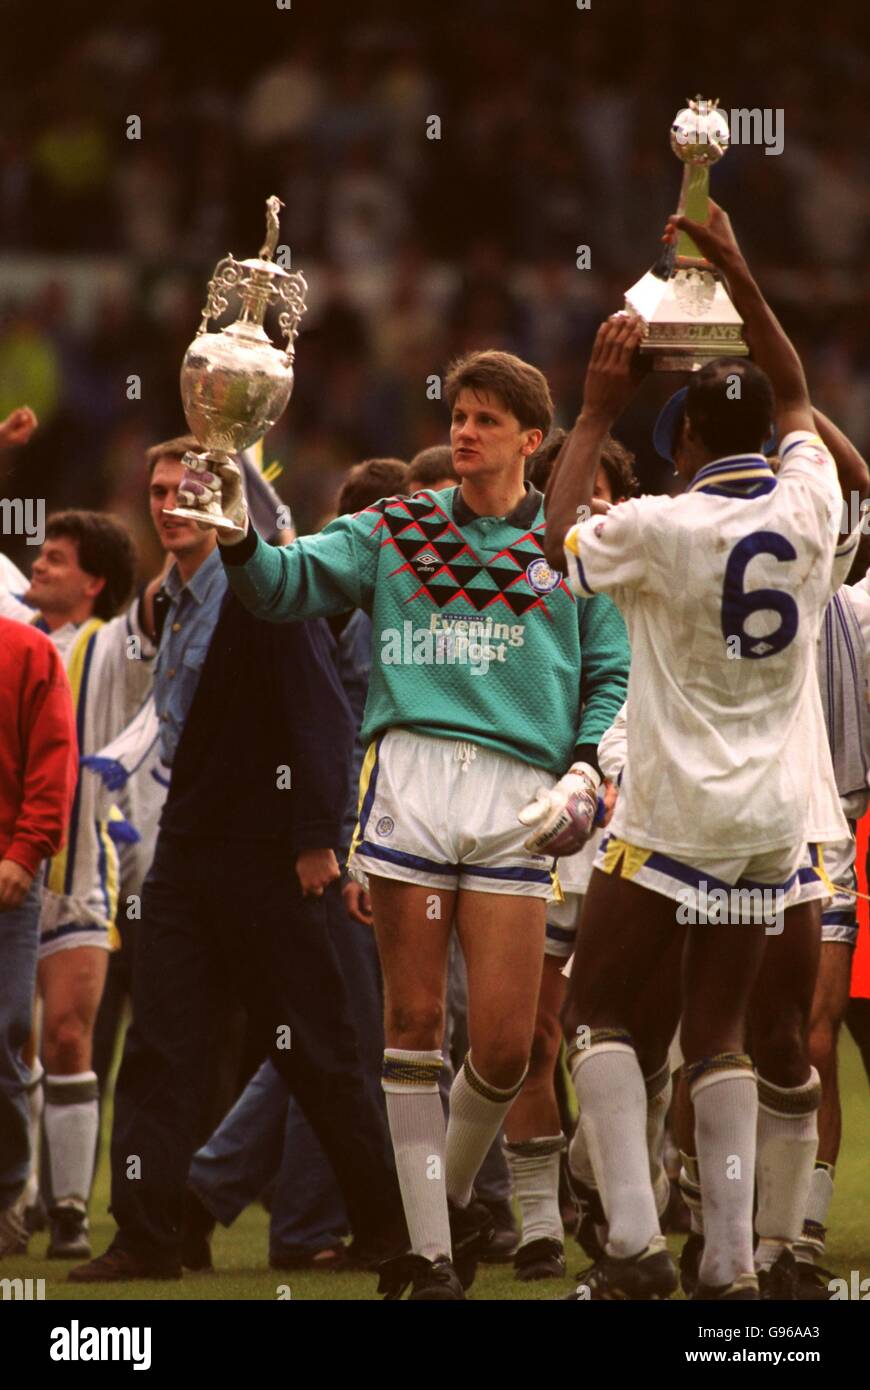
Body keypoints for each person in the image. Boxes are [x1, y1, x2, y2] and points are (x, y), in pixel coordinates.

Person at [199, 347, 629, 1299]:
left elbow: (610, 672)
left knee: (511, 1047)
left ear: (530, 440)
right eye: (456, 416)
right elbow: (278, 587)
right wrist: (234, 532)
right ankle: (430, 1254)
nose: (462, 431)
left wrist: (588, 764)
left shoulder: (575, 543)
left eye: (483, 420)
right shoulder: (391, 527)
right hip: (412, 782)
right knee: (415, 1019)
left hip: (522, 790)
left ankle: (451, 1209)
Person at [545, 201, 867, 1301]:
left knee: (599, 1015)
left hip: (672, 812)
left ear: (681, 442)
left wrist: (593, 412)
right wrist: (738, 268)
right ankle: (732, 1264)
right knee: (724, 1031)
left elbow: (553, 543)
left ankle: (634, 1248)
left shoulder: (660, 525)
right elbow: (797, 396)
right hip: (777, 825)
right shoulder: (814, 502)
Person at [69, 445, 407, 1282]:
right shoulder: (177, 599)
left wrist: (315, 838)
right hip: (190, 843)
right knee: (159, 1044)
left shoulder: (260, 584)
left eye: (189, 493)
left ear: (227, 504)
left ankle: (391, 1231)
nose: (168, 506)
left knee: (318, 1053)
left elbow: (319, 711)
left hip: (270, 852)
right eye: (156, 493)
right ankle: (146, 1236)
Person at [0, 507, 161, 1259]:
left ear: (95, 582)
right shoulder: (12, 629)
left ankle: (70, 1210)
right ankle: (21, 1195)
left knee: (68, 1036)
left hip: (80, 869)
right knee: (15, 1038)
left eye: (58, 559)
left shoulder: (114, 643)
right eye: (40, 555)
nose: (39, 568)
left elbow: (164, 605)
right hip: (13, 863)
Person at [502, 428, 637, 1282]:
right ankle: (541, 1225)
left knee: (637, 1038)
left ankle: (614, 1186)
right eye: (565, 490)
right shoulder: (524, 584)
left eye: (598, 489)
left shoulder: (665, 569)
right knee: (530, 1035)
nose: (584, 504)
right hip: (547, 823)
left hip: (650, 825)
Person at [0, 618, 77, 1256]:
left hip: (9, 879)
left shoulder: (28, 651)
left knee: (5, 1034)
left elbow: (55, 758)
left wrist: (27, 851)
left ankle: (5, 1199)